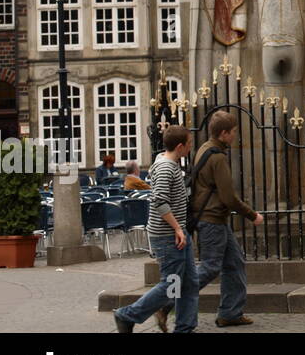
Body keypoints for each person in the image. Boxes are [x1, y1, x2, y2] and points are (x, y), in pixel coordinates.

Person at [113, 126, 199, 333]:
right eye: (189, 144)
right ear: (179, 146)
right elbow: (159, 201)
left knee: (188, 282)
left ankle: (185, 327)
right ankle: (127, 315)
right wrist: (178, 229)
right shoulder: (165, 167)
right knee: (171, 285)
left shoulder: (166, 162)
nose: (190, 148)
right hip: (169, 235)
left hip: (176, 233)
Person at [190, 110, 264, 329]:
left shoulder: (204, 148)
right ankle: (166, 301)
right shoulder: (218, 157)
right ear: (223, 134)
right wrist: (252, 215)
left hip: (213, 219)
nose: (235, 136)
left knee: (234, 262)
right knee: (210, 267)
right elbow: (228, 197)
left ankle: (230, 312)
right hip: (212, 219)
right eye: (233, 132)